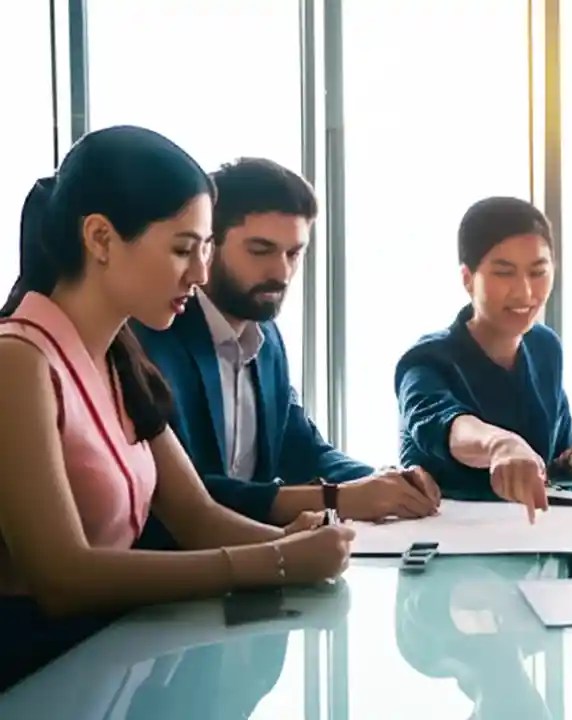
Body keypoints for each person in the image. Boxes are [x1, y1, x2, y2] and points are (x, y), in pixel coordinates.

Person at [0, 126, 354, 690]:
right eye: (182, 249)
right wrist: (275, 561)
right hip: (35, 678)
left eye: (205, 249)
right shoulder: (17, 361)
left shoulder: (120, 358)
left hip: (109, 667)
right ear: (100, 238)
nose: (201, 274)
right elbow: (62, 576)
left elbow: (196, 515)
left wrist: (293, 543)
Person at [133, 158, 439, 549]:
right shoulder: (153, 337)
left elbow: (301, 448)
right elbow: (181, 495)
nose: (281, 274)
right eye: (260, 251)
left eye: (294, 254)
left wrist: (385, 482)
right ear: (208, 246)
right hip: (174, 567)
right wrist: (338, 498)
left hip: (255, 561)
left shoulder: (266, 339)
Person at [395, 197, 572, 523]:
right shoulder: (426, 360)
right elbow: (448, 425)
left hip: (535, 535)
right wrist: (500, 445)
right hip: (446, 540)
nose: (525, 292)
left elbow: (558, 451)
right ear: (467, 278)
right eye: (504, 273)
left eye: (538, 272)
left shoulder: (545, 347)